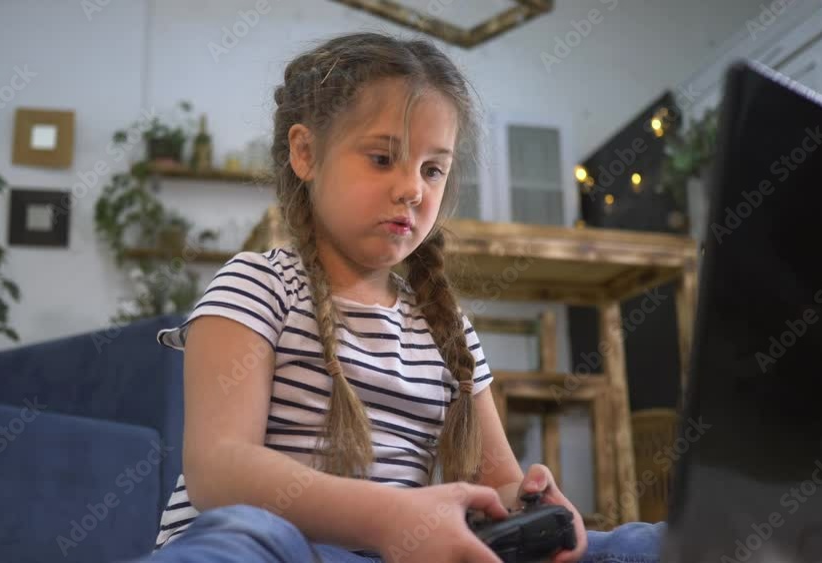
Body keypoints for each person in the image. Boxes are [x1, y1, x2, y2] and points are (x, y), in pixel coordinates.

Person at [138, 31, 665, 563]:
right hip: (281, 547)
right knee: (244, 543)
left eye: (432, 169)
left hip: (394, 555)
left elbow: (500, 483)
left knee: (635, 545)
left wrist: (533, 507)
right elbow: (217, 469)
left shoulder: (445, 327)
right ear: (305, 152)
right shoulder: (257, 285)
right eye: (383, 158)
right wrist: (389, 518)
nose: (413, 188)